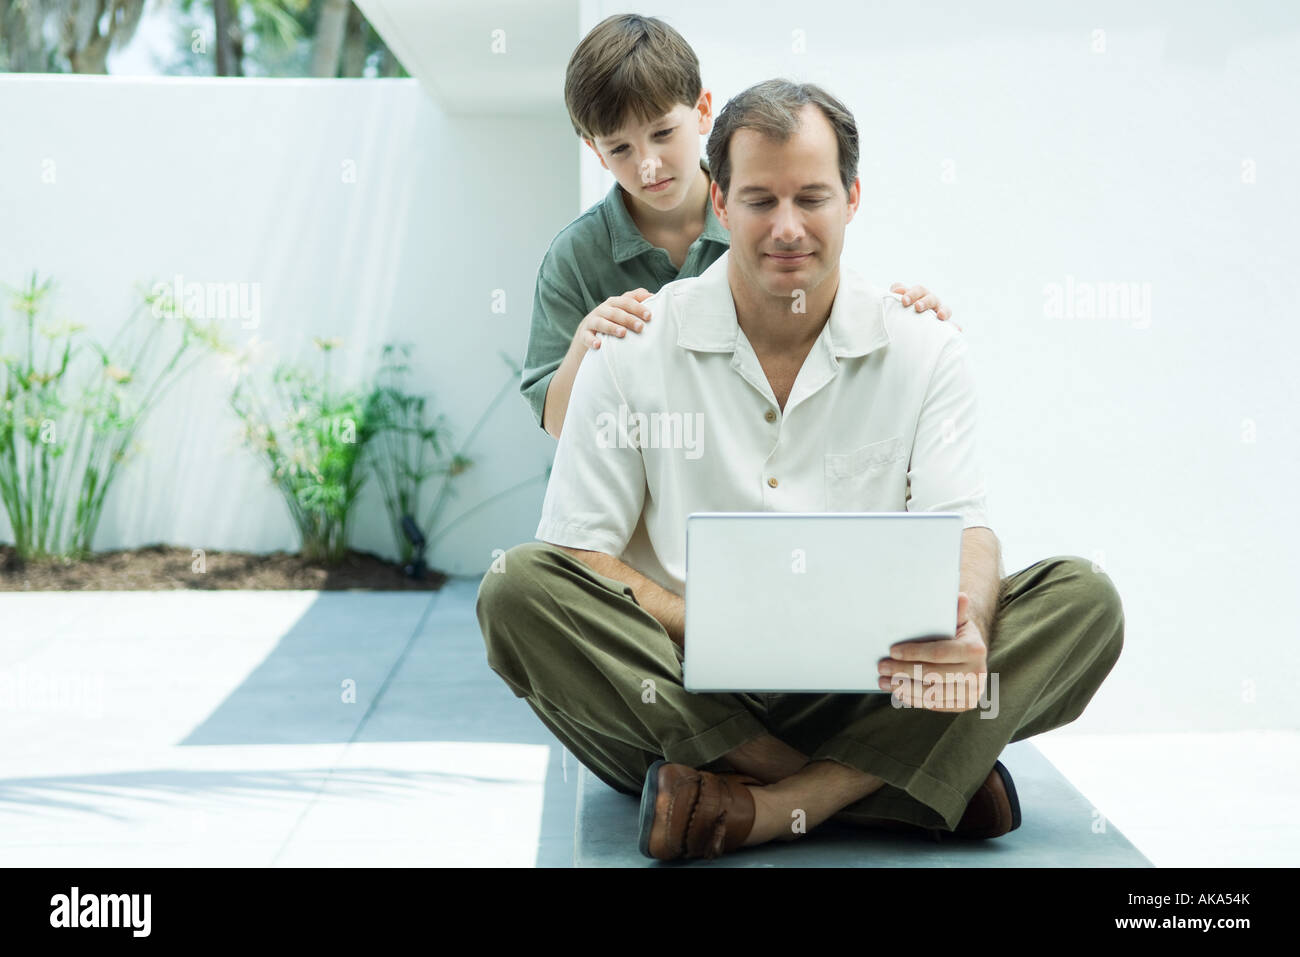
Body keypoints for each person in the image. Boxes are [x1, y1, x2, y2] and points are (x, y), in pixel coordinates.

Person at [479, 77, 1125, 862]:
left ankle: (774, 803)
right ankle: (884, 784)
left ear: (853, 198)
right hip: (685, 689)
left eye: (811, 198)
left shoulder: (922, 345)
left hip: (875, 686)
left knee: (1082, 599)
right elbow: (579, 556)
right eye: (759, 201)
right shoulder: (632, 348)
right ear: (720, 202)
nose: (787, 228)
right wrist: (727, 621)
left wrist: (968, 630)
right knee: (517, 588)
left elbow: (965, 523)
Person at [523, 13, 957, 440]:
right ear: (596, 153)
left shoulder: (766, 222)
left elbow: (830, 315)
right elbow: (562, 426)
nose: (648, 165)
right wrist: (586, 342)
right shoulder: (573, 258)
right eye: (620, 148)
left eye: (662, 133)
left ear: (702, 112)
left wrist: (904, 320)